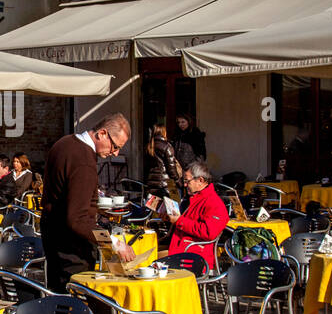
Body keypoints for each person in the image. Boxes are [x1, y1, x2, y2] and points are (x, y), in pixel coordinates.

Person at [41, 113, 135, 293]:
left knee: (58, 299)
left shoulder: (64, 142)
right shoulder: (83, 161)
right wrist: (113, 242)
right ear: (102, 133)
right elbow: (78, 219)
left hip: (53, 235)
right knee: (76, 304)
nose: (114, 153)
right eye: (115, 146)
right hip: (71, 247)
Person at [153, 160, 227, 270]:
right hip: (181, 248)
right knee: (146, 253)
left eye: (187, 181)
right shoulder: (193, 198)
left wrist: (179, 221)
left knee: (148, 262)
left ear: (200, 180)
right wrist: (170, 219)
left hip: (193, 256)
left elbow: (208, 232)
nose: (185, 185)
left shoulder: (214, 203)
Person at [144, 124, 180, 197]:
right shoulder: (167, 146)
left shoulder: (149, 146)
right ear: (163, 132)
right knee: (174, 206)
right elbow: (171, 168)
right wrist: (177, 180)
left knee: (155, 207)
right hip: (167, 183)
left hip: (152, 182)